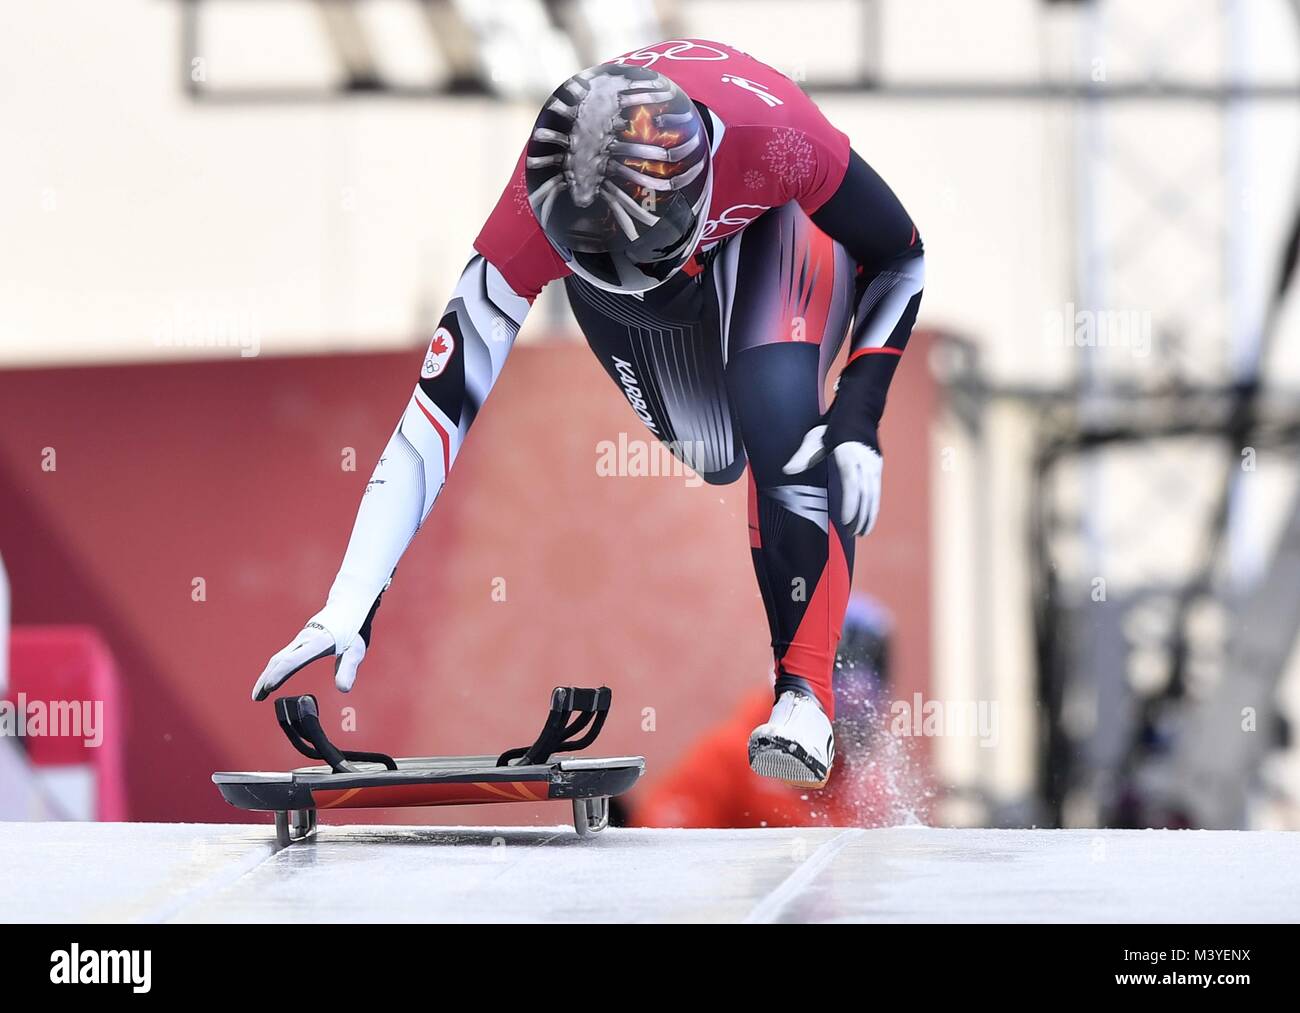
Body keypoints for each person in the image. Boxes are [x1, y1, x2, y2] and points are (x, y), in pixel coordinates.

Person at [251, 39, 925, 789]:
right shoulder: (532, 212)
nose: (630, 272)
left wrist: (859, 412)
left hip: (766, 234)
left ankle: (806, 698)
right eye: (602, 258)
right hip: (633, 303)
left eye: (646, 255)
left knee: (780, 422)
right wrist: (351, 596)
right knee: (721, 453)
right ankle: (639, 296)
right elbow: (435, 412)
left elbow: (901, 257)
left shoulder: (780, 141)